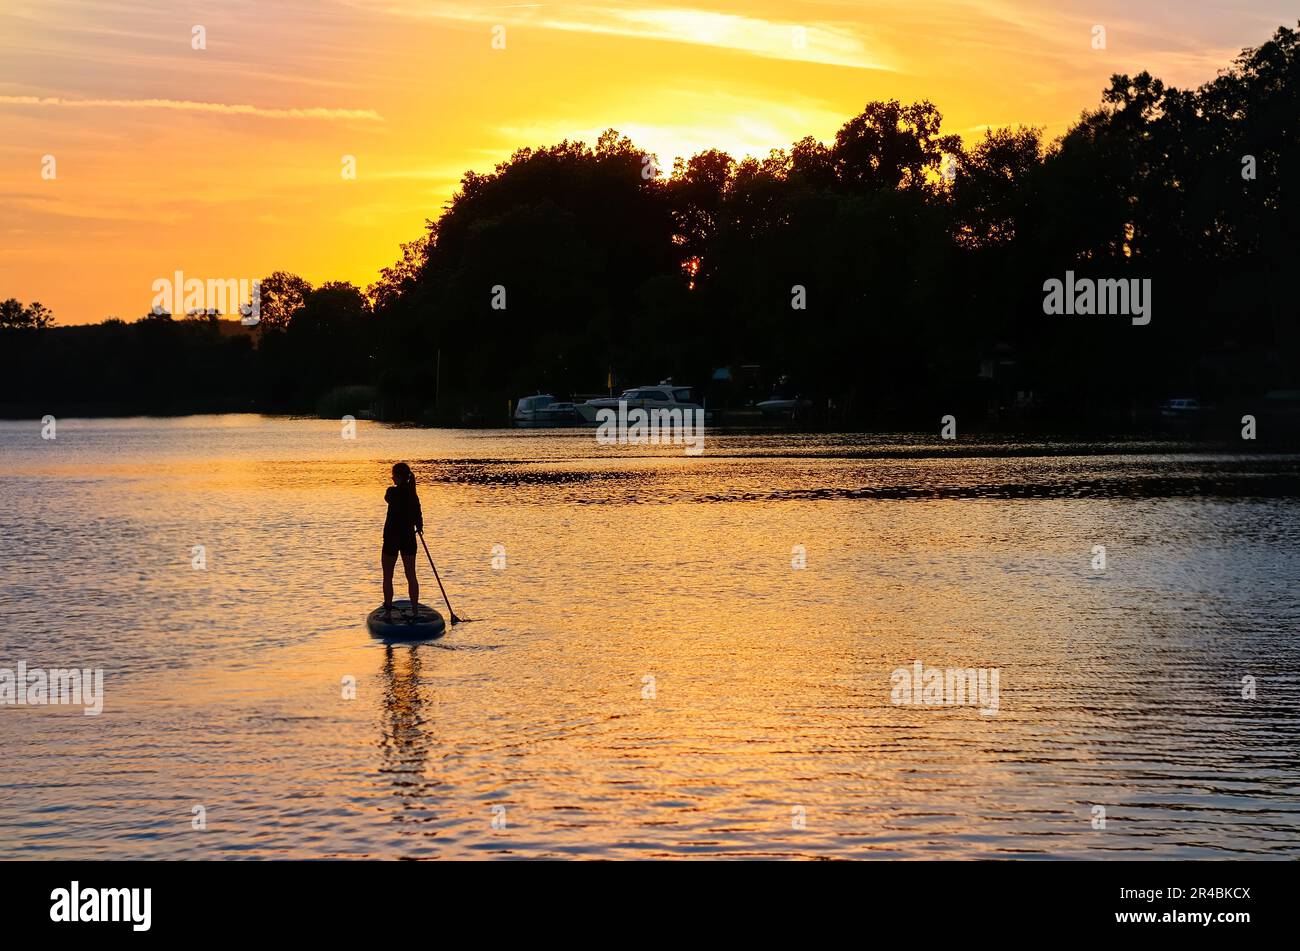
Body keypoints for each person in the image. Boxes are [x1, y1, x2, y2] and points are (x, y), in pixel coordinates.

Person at [382, 462, 423, 617]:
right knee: (411, 575)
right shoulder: (413, 494)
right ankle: (415, 610)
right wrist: (419, 527)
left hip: (392, 538)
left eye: (393, 475)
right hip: (408, 538)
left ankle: (388, 609)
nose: (392, 477)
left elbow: (388, 499)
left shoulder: (391, 492)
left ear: (398, 477)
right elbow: (418, 515)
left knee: (388, 575)